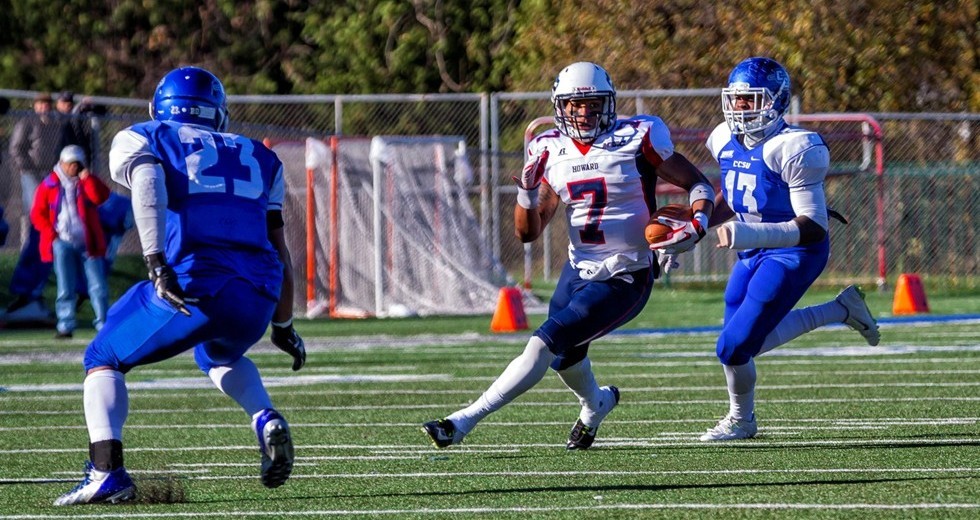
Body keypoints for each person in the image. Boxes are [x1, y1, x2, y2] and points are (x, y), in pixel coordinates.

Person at [422, 61, 715, 450]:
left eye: (592, 103)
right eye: (574, 105)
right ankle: (596, 404)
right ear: (560, 107)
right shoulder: (549, 148)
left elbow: (698, 183)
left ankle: (460, 423)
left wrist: (698, 222)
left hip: (625, 273)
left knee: (543, 344)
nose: (583, 112)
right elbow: (527, 233)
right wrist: (526, 193)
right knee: (565, 358)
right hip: (578, 269)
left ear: (607, 104)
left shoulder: (638, 136)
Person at [54, 66, 307, 506]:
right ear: (218, 114)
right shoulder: (261, 156)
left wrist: (155, 262)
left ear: (160, 108)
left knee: (102, 354)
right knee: (215, 353)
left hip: (197, 277)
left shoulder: (146, 136)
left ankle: (105, 471)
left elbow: (149, 181)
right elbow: (279, 246)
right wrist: (283, 324)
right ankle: (263, 415)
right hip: (259, 290)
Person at [690, 57, 880, 442]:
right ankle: (839, 310)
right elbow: (736, 192)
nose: (741, 109)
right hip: (754, 249)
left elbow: (812, 228)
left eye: (751, 100)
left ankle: (742, 421)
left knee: (733, 347)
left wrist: (746, 235)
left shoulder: (795, 146)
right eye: (737, 100)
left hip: (794, 253)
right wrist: (696, 224)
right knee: (739, 341)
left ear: (776, 101)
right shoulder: (724, 138)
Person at [30, 145, 110, 338]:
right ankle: (66, 325)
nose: (74, 168)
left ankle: (104, 325)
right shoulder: (49, 184)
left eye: (77, 164)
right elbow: (37, 214)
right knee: (65, 286)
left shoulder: (85, 181)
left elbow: (100, 197)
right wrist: (52, 235)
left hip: (87, 242)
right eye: (71, 164)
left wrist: (88, 179)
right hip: (62, 241)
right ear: (63, 164)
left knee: (97, 285)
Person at [4, 92, 62, 324]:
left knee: (51, 226)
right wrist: (30, 170)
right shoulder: (27, 122)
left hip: (52, 175)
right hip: (33, 174)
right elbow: (17, 149)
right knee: (38, 219)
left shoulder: (57, 124)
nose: (44, 108)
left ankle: (37, 290)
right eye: (41, 104)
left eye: (47, 104)